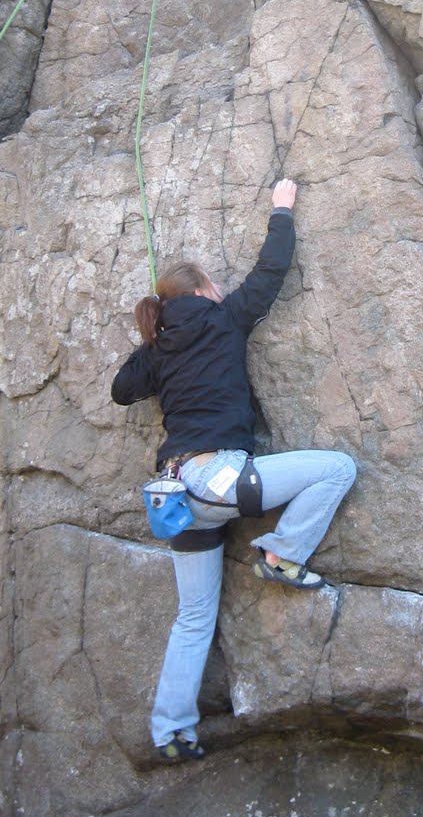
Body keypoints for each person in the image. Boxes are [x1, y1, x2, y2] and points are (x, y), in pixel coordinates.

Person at [111, 179, 355, 764]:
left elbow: (122, 390)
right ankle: (282, 555)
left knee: (193, 617)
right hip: (216, 479)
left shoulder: (158, 349)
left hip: (174, 496)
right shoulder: (225, 320)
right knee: (338, 468)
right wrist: (281, 209)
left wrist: (152, 343)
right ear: (207, 289)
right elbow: (269, 273)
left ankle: (171, 728)